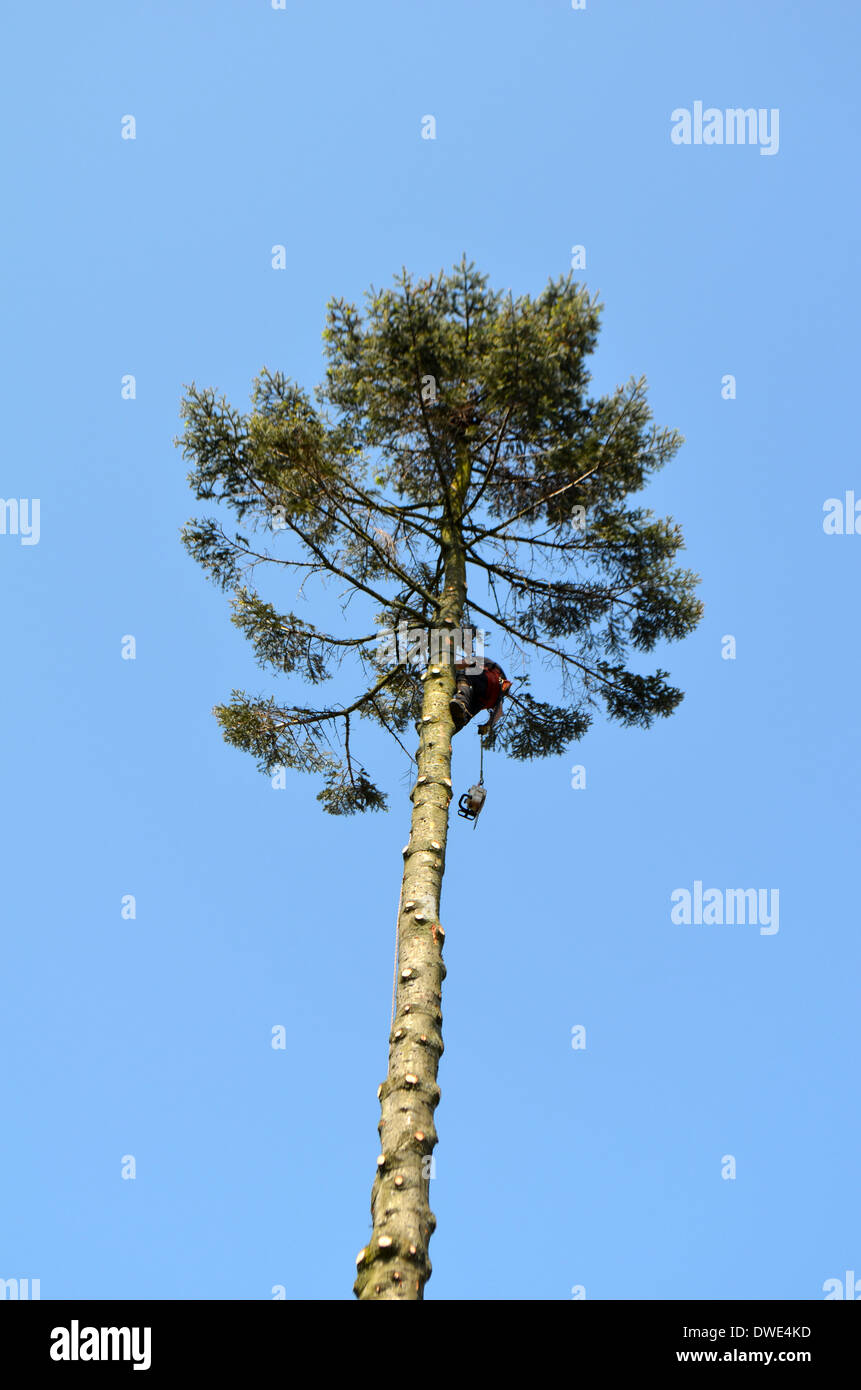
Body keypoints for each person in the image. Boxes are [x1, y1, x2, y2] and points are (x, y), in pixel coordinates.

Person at [449, 657, 511, 734]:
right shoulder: (500, 695)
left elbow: (461, 664)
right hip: (488, 699)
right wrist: (487, 725)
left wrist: (448, 666)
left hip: (488, 680)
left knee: (463, 675)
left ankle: (461, 702)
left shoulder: (481, 661)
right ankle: (454, 726)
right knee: (464, 715)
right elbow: (499, 712)